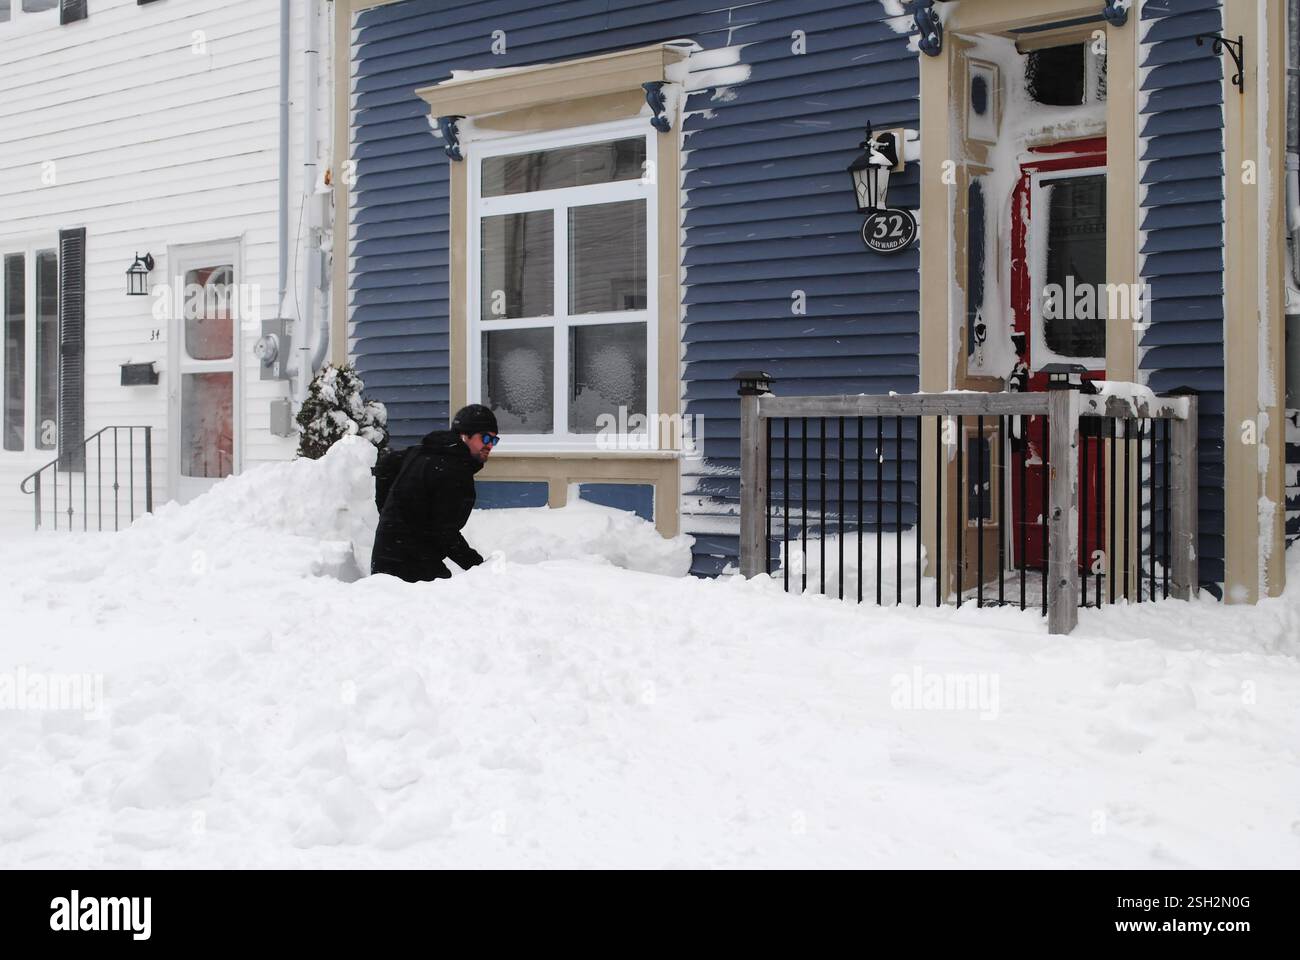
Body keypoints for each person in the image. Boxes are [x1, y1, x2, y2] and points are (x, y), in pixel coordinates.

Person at [370, 404, 500, 582]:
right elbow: (445, 532)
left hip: (386, 558)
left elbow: (387, 465)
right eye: (485, 438)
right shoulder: (453, 470)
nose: (489, 446)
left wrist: (390, 516)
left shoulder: (425, 451)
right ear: (464, 435)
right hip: (410, 567)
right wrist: (477, 566)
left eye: (494, 440)